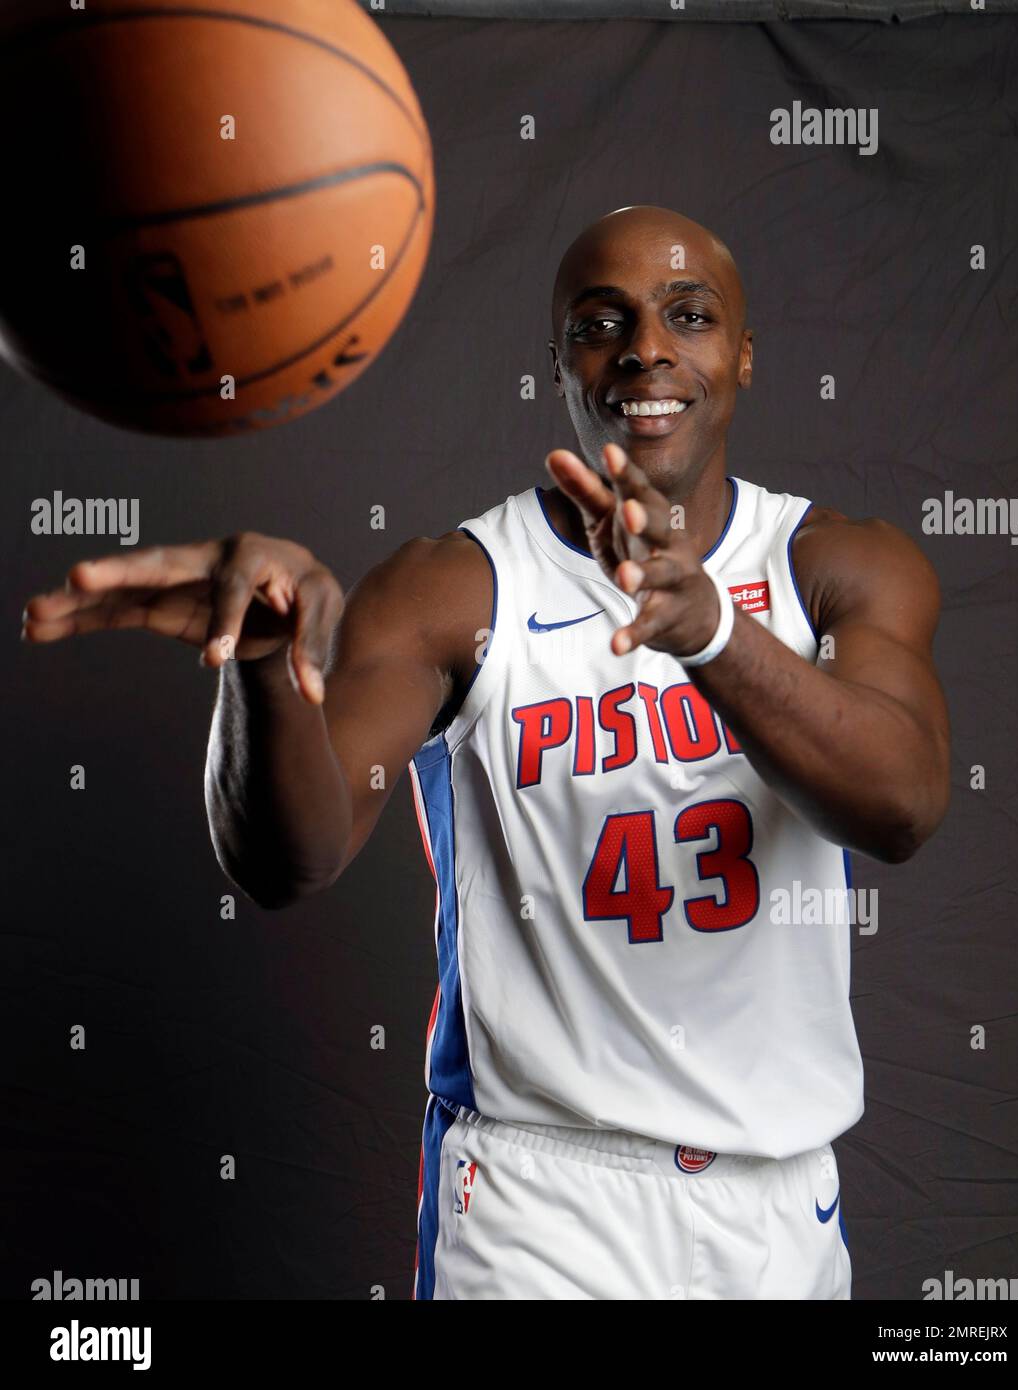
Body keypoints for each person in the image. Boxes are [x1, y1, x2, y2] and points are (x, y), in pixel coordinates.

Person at [22, 205, 950, 1300]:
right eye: (601, 323)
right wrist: (267, 671)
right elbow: (288, 859)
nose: (646, 348)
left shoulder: (836, 565)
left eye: (687, 315)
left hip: (777, 1195)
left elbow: (900, 803)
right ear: (559, 361)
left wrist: (706, 631)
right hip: (539, 1196)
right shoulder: (456, 588)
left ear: (740, 352)